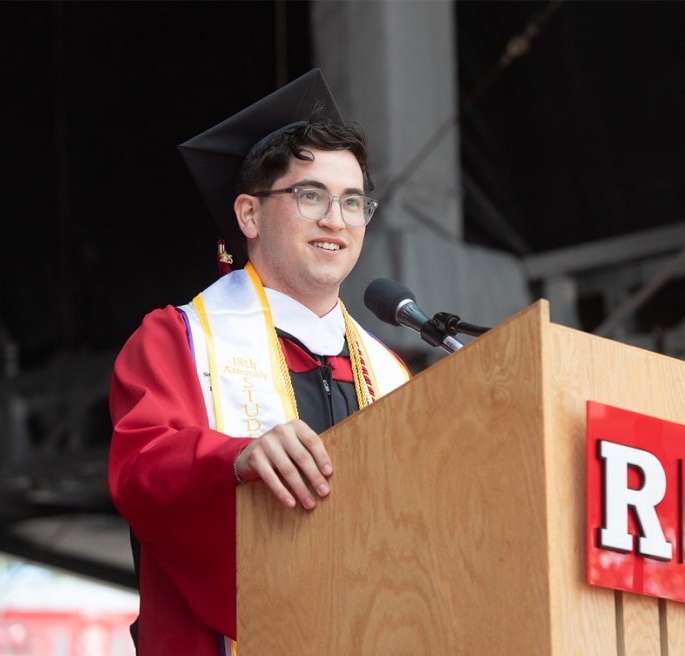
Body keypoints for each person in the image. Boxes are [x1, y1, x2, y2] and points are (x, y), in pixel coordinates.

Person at [107, 69, 411, 656]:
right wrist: (235, 459)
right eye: (311, 196)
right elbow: (141, 470)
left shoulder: (390, 373)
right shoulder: (178, 340)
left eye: (353, 202)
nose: (336, 220)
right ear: (248, 215)